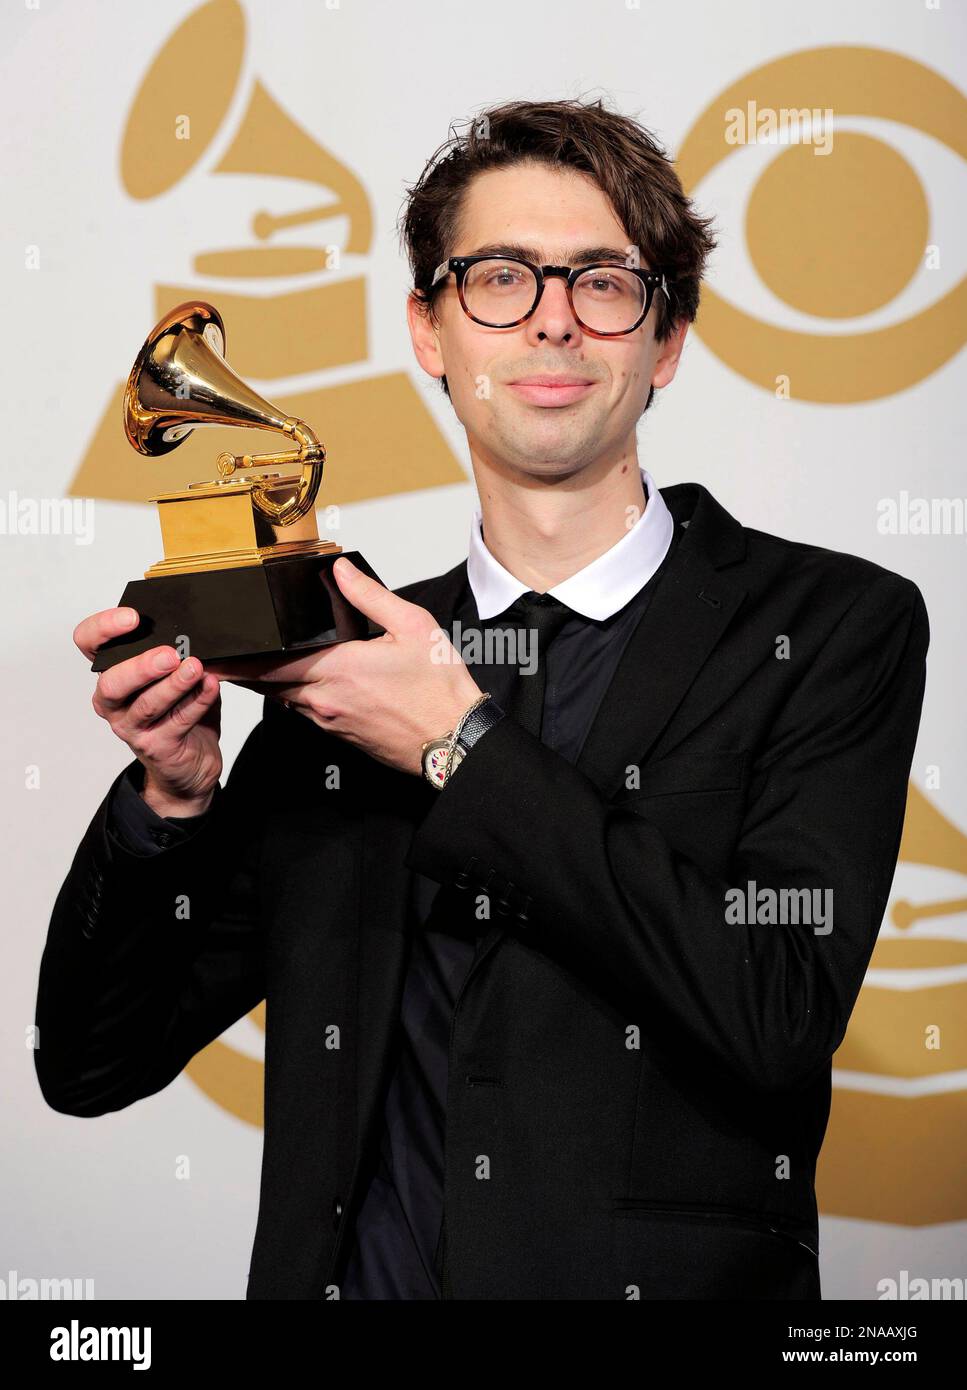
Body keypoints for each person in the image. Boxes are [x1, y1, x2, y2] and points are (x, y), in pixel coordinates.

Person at [35, 98, 929, 1300]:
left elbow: (772, 1014)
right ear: (429, 329)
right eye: (500, 276)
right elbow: (93, 1060)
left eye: (604, 281)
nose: (553, 319)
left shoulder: (827, 628)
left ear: (665, 342)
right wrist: (171, 800)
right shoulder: (335, 658)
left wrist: (460, 744)